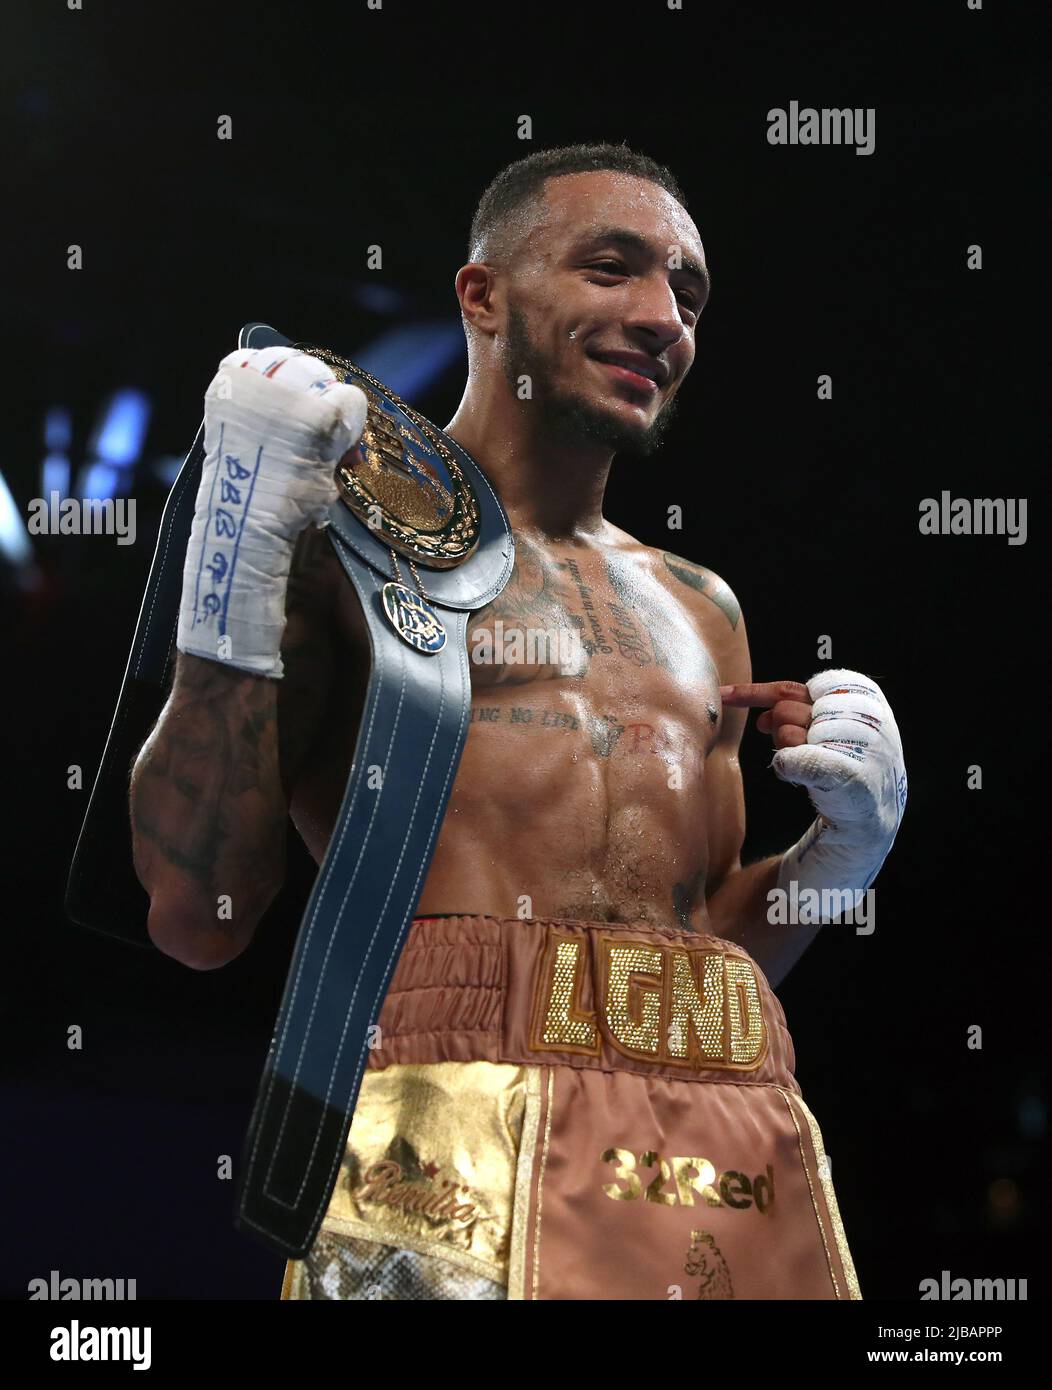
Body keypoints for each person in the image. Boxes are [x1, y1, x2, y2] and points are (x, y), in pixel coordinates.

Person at [129, 143, 906, 1300]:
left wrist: (838, 859)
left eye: (687, 294)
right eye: (611, 269)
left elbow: (708, 958)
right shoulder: (339, 549)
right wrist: (235, 555)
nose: (660, 318)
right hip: (447, 1116)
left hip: (727, 1130)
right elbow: (199, 915)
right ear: (480, 294)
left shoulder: (704, 607)